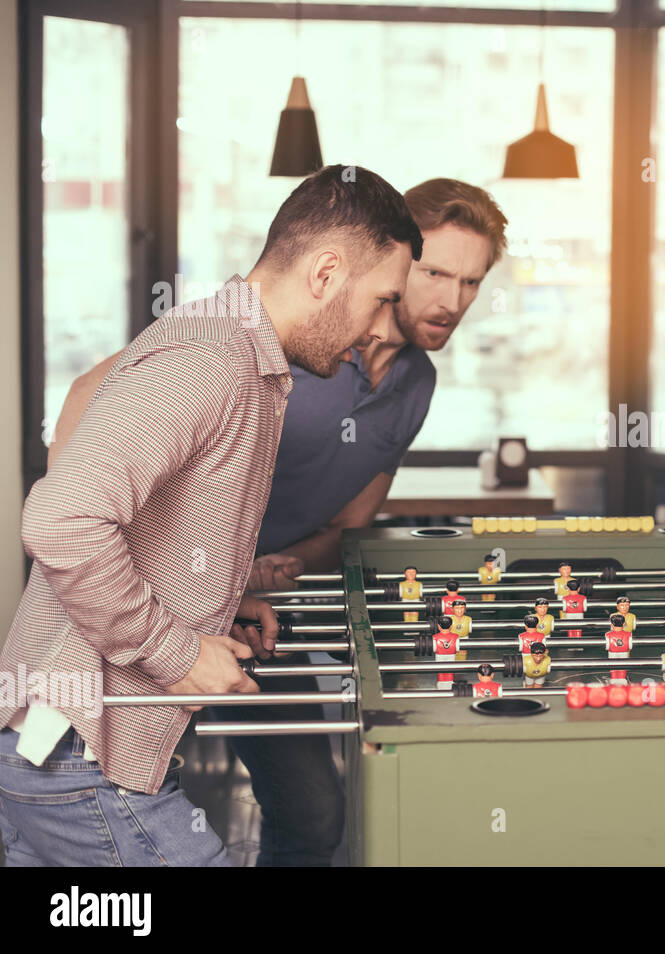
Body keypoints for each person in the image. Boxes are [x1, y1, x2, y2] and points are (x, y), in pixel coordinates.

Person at [43, 176, 509, 866]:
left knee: (315, 813)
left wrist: (258, 575)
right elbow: (88, 413)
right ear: (390, 258)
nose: (452, 299)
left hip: (247, 614)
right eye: (435, 272)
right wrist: (120, 558)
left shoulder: (416, 383)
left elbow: (349, 519)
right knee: (95, 784)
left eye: (471, 282)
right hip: (144, 615)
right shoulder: (265, 342)